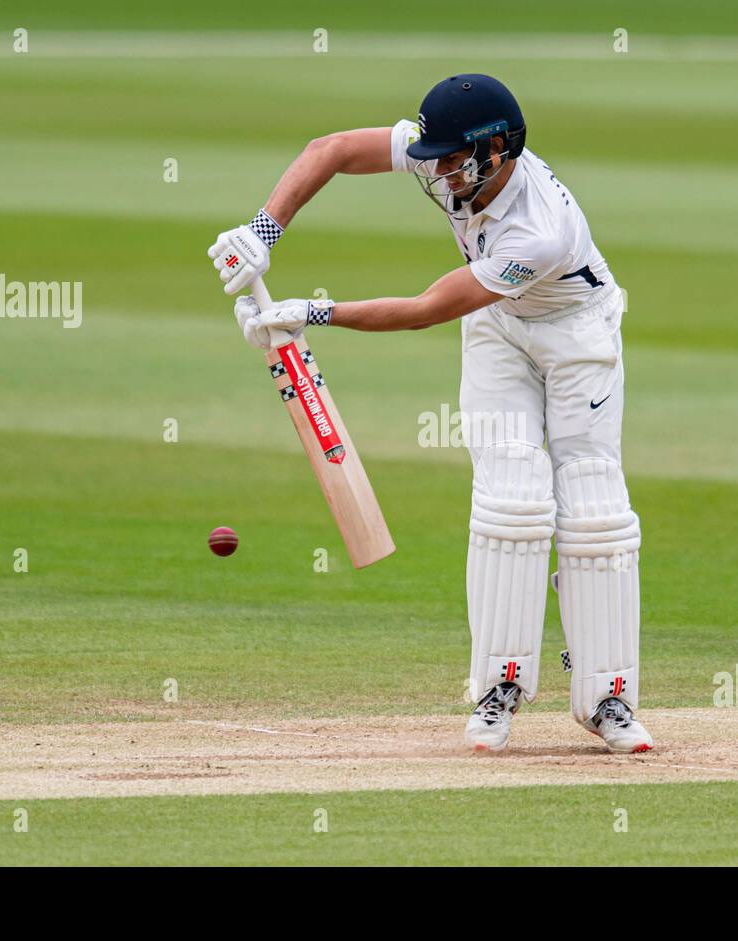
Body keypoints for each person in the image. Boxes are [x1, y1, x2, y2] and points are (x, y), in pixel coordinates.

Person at [208, 74, 651, 754]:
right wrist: (262, 231)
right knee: (510, 494)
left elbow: (423, 311)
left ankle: (607, 699)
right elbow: (329, 150)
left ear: (497, 150)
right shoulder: (453, 152)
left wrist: (309, 313)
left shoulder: (540, 230)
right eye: (434, 154)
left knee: (591, 503)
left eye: (453, 159)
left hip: (576, 335)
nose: (439, 171)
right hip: (498, 326)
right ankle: (499, 689)